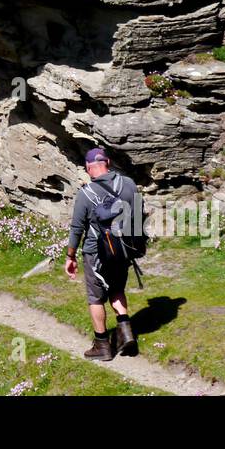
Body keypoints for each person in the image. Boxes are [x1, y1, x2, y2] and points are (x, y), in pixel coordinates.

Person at [64, 147, 139, 360]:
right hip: (123, 250)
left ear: (88, 169)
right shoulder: (129, 185)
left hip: (96, 253)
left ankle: (102, 346)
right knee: (117, 289)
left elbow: (77, 229)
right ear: (107, 162)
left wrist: (70, 257)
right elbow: (138, 215)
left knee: (95, 298)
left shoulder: (86, 194)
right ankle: (126, 333)